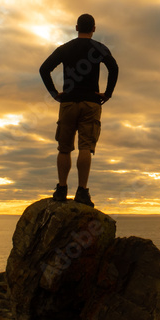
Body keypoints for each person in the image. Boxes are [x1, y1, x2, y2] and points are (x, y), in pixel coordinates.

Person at [38, 13, 118, 207]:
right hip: (91, 103)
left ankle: (62, 189)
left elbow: (44, 69)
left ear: (76, 28)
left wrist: (54, 93)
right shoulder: (99, 48)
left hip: (68, 102)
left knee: (64, 148)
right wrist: (107, 94)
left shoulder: (66, 48)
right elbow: (114, 68)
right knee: (85, 147)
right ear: (94, 29)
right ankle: (82, 191)